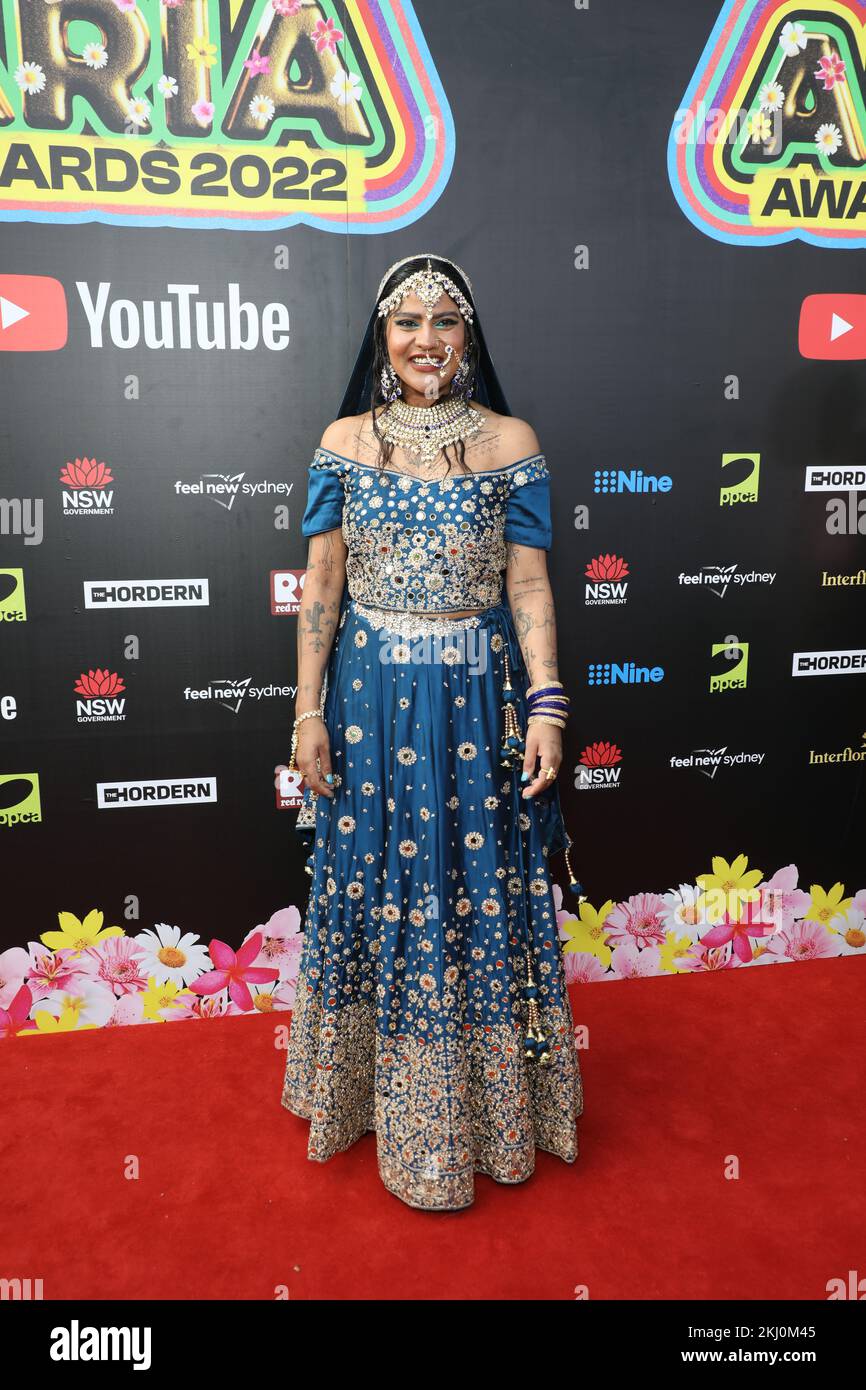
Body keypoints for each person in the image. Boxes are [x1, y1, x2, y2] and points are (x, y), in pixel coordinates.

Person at [281, 252, 584, 1212]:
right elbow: (321, 585)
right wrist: (308, 709)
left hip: (476, 702)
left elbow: (528, 584)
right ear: (382, 337)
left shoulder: (510, 442)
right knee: (380, 877)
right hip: (368, 705)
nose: (425, 340)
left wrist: (547, 704)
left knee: (474, 884)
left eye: (444, 322)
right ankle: (365, 1094)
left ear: (468, 337)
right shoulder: (344, 441)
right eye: (406, 322)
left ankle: (491, 1113)